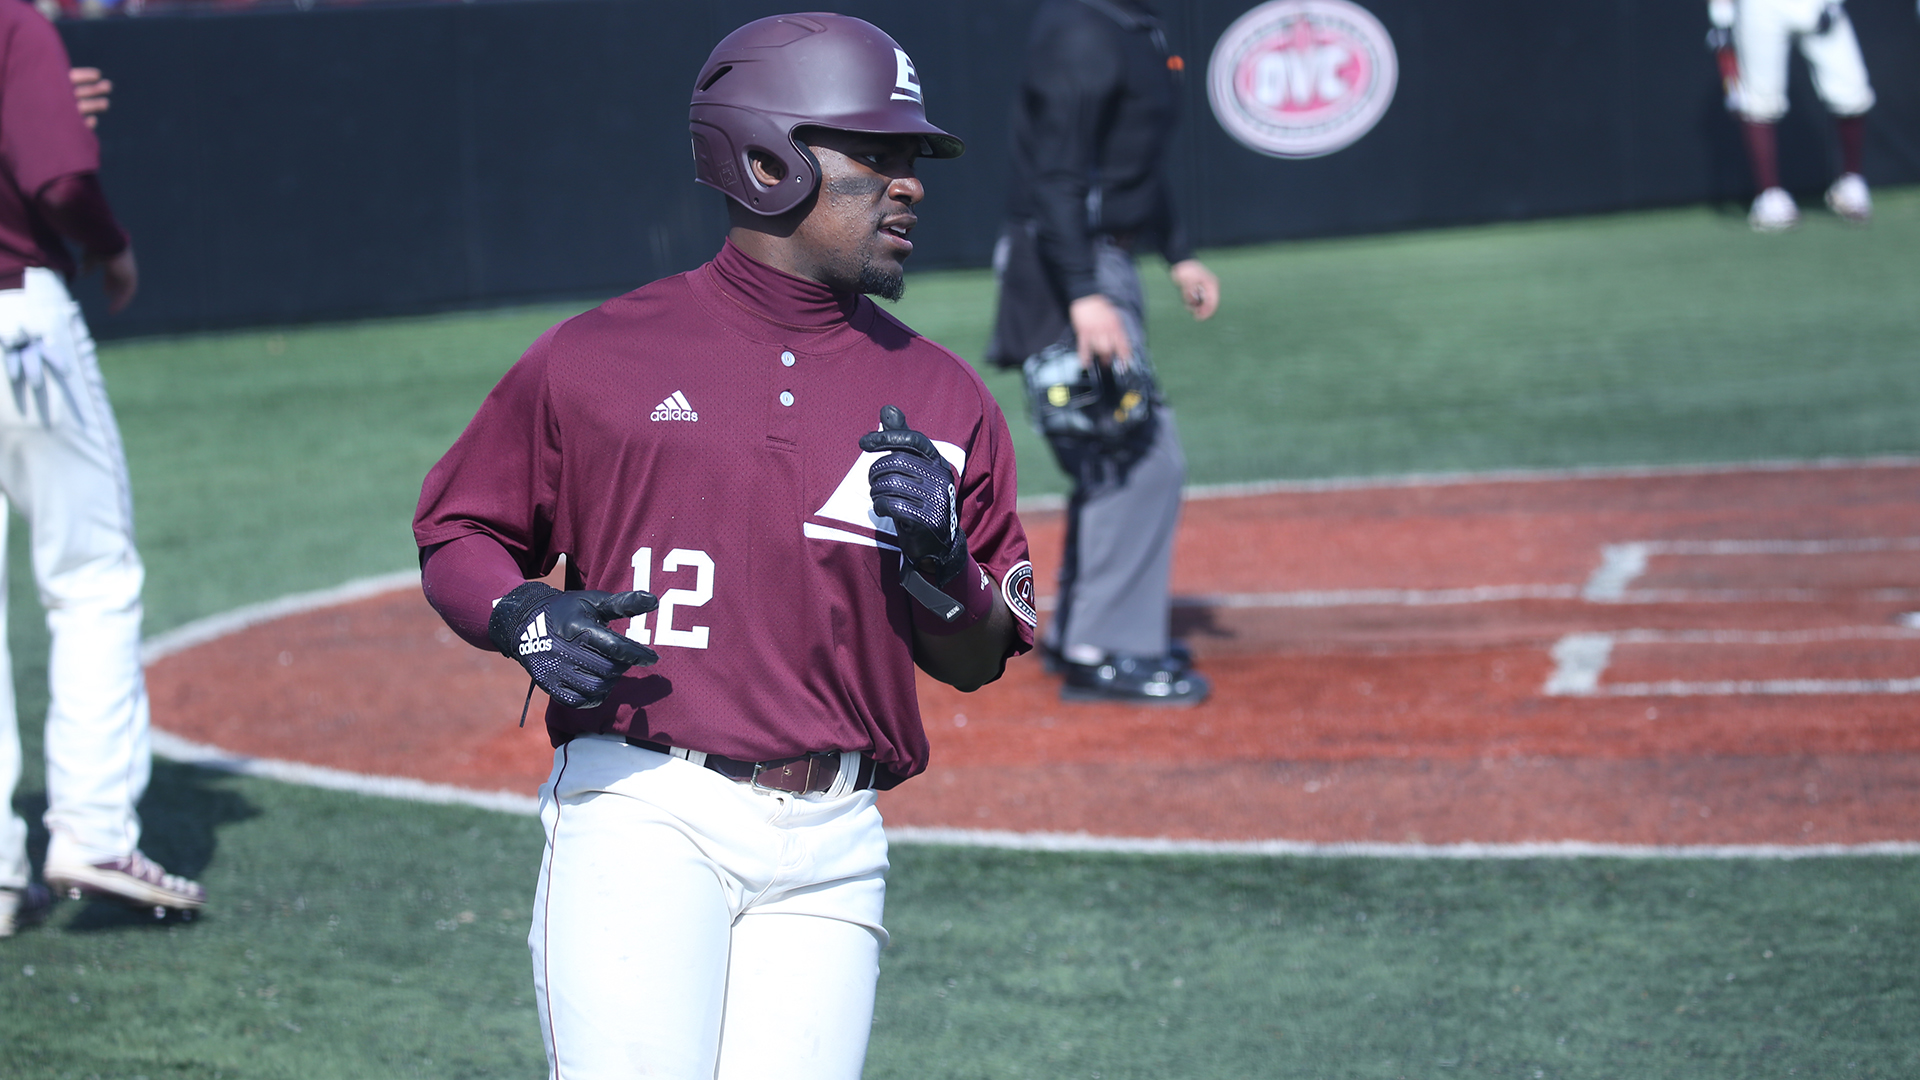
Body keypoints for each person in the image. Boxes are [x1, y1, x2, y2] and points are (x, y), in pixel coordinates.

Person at [413, 13, 1034, 1077]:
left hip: (837, 846)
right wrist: (524, 616)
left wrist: (946, 567)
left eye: (913, 159)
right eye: (876, 154)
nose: (910, 183)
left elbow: (979, 657)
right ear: (765, 157)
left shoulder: (944, 393)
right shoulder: (600, 356)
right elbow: (460, 529)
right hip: (643, 809)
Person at [0, 3, 205, 939]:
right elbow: (58, 176)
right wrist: (112, 247)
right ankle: (90, 828)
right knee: (90, 578)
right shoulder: (13, 22)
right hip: (17, 317)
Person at [987, 0, 1217, 706]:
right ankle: (1104, 647)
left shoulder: (1125, 27)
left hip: (1097, 262)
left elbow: (1132, 165)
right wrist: (1084, 292)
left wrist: (1177, 254)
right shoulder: (1080, 31)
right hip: (1066, 266)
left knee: (1112, 448)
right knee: (1137, 455)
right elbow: (1055, 174)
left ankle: (1085, 632)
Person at [1708, 0, 1876, 231]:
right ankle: (1769, 195)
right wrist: (1721, 16)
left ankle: (1851, 182)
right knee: (1759, 99)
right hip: (1760, 7)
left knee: (1851, 91)